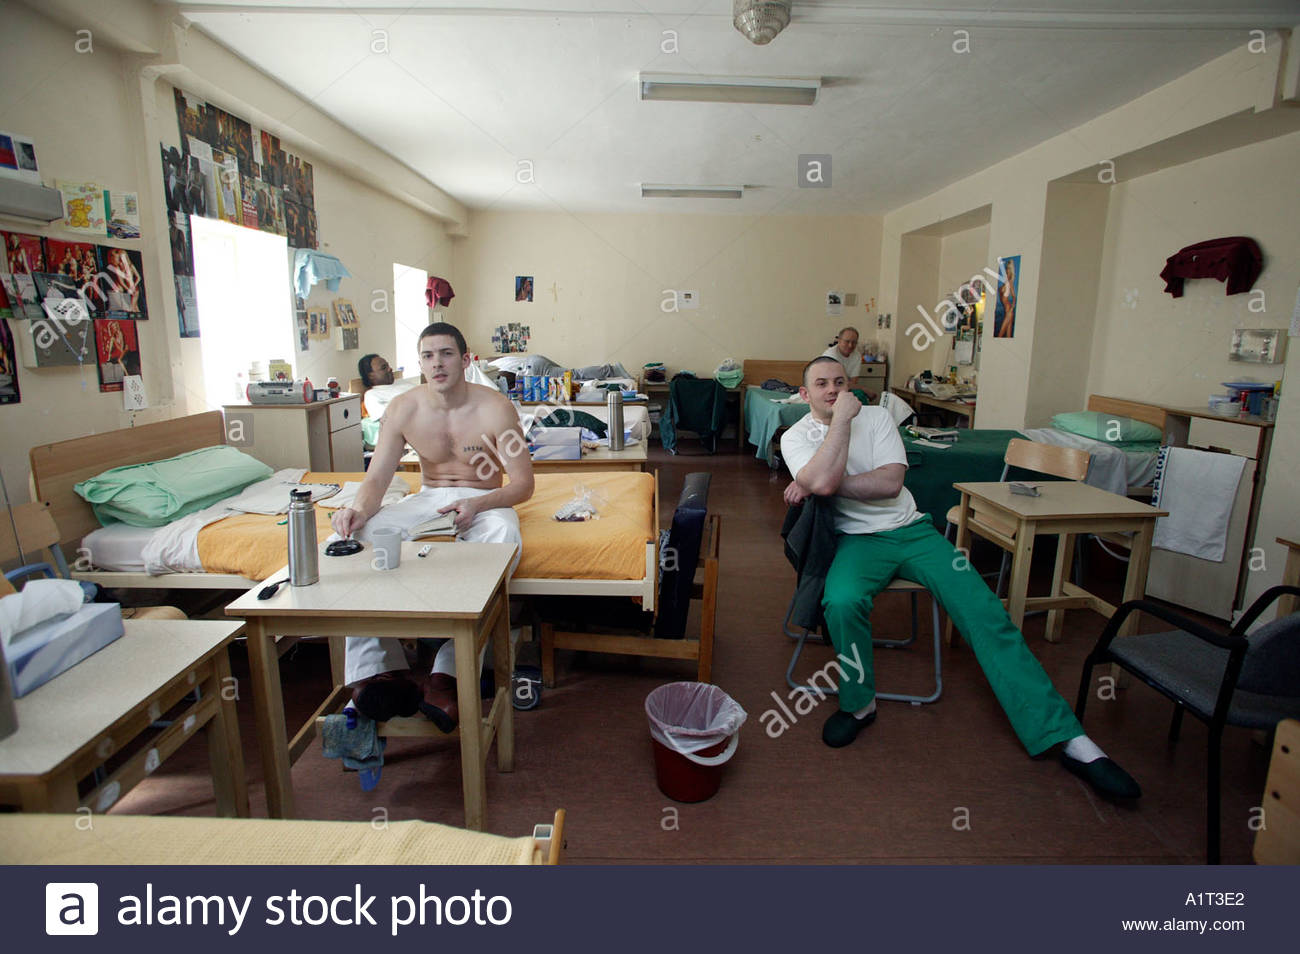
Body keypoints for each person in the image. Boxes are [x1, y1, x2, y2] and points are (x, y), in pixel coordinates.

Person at [778, 355, 1141, 801]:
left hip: (914, 531)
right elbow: (828, 479)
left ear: (850, 384)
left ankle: (1067, 737)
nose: (832, 390)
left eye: (839, 381)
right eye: (821, 384)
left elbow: (890, 483)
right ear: (805, 393)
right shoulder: (796, 435)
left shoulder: (878, 417)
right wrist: (839, 432)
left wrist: (823, 482)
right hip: (856, 540)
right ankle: (859, 703)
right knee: (842, 601)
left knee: (984, 608)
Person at [330, 322, 535, 730]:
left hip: (484, 500)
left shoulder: (496, 408)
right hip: (428, 498)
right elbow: (377, 478)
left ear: (464, 358)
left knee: (504, 539)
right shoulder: (404, 408)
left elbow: (523, 485)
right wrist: (358, 510)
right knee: (359, 539)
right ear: (420, 363)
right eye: (428, 356)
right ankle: (381, 672)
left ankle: (448, 672)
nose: (437, 363)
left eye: (446, 354)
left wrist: (478, 503)